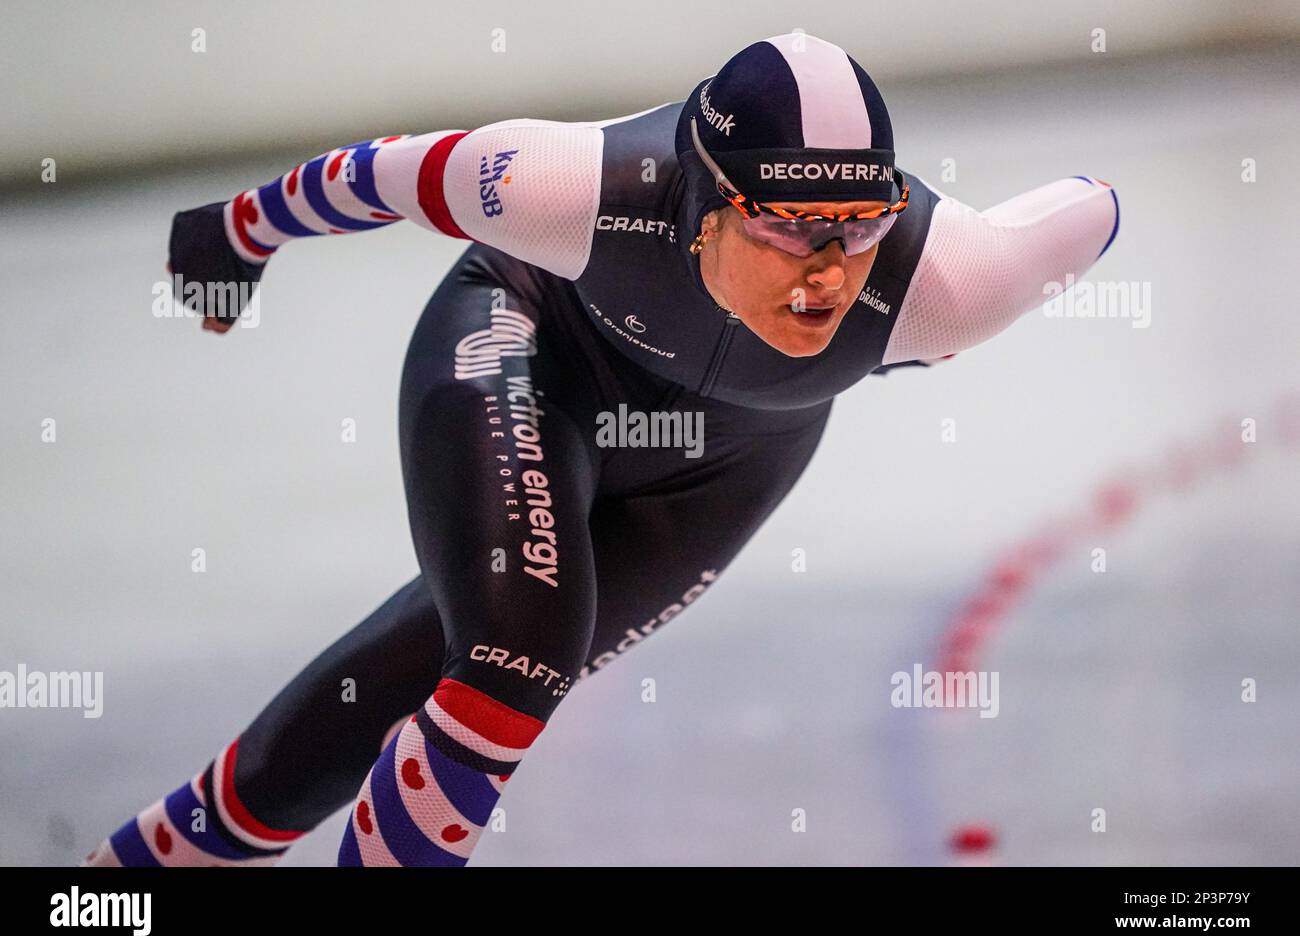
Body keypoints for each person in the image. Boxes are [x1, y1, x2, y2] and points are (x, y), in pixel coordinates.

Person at [83, 31, 1119, 867]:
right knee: (511, 665)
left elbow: (1091, 209)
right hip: (529, 350)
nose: (828, 269)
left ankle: (135, 873)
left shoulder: (949, 282)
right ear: (699, 201)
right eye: (791, 226)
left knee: (419, 683)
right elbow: (386, 176)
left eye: (858, 223)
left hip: (730, 458)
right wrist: (240, 230)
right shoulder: (574, 186)